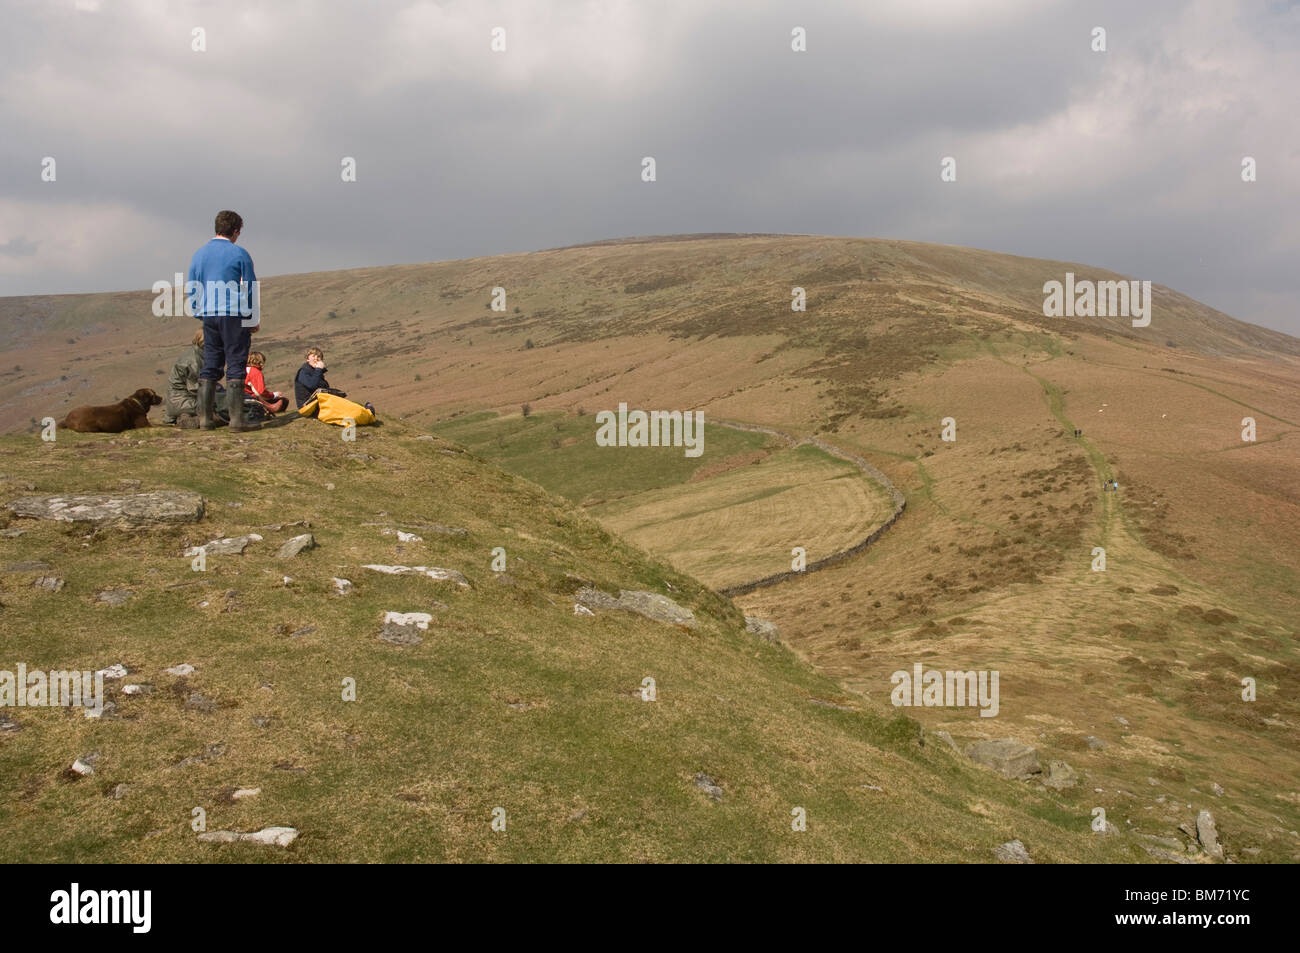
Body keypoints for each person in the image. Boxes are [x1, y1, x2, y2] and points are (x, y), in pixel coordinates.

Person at [187, 210, 261, 432]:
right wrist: (252, 318)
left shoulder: (199, 255)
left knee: (210, 363)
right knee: (236, 363)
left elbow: (193, 287)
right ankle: (237, 421)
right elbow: (250, 287)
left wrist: (200, 312)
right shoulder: (240, 254)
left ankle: (205, 420)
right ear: (236, 231)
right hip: (234, 314)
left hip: (210, 314)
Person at [163, 328, 227, 427]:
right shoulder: (193, 361)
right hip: (182, 401)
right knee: (224, 411)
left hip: (182, 400)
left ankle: (185, 415)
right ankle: (191, 421)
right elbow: (196, 388)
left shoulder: (198, 354)